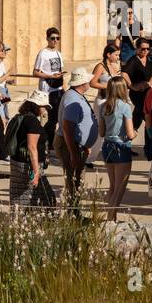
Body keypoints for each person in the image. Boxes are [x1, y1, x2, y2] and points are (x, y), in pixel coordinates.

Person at [54, 67, 98, 202]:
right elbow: (68, 128)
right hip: (70, 145)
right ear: (82, 83)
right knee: (73, 179)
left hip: (76, 145)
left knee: (76, 178)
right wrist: (74, 152)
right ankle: (73, 212)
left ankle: (74, 210)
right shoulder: (73, 100)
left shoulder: (76, 96)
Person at [8, 89, 53, 209]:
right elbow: (32, 147)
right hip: (29, 166)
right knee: (47, 199)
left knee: (18, 197)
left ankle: (17, 222)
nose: (45, 109)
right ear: (37, 106)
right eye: (44, 106)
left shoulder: (20, 117)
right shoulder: (32, 121)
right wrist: (36, 171)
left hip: (17, 162)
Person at [99, 74, 135, 222]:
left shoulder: (103, 106)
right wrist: (135, 133)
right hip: (121, 146)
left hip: (107, 145)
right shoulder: (125, 107)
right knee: (120, 187)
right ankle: (110, 217)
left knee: (113, 185)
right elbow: (130, 133)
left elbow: (101, 132)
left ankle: (112, 217)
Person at [88, 42, 127, 161]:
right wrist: (108, 86)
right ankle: (90, 158)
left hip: (114, 100)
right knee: (100, 128)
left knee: (114, 127)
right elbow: (92, 82)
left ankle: (110, 154)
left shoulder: (116, 66)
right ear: (108, 54)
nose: (117, 57)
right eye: (115, 55)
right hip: (102, 100)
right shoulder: (100, 66)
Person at [32, 28, 65, 136]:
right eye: (52, 38)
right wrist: (50, 76)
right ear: (47, 39)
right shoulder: (43, 53)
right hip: (47, 90)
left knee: (59, 116)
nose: (55, 41)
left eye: (57, 38)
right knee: (50, 118)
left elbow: (60, 71)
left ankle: (51, 140)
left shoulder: (58, 53)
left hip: (59, 89)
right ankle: (45, 140)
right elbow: (35, 72)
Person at [123, 38, 152, 132]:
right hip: (136, 93)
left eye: (147, 49)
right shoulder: (133, 60)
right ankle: (147, 130)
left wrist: (149, 84)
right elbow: (124, 73)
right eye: (143, 49)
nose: (145, 51)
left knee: (139, 112)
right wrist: (131, 85)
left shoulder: (150, 60)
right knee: (143, 111)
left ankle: (132, 129)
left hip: (147, 92)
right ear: (137, 49)